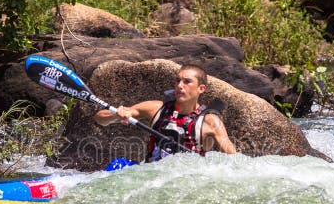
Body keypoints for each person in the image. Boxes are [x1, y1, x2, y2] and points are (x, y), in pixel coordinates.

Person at [94, 64, 237, 161]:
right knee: (117, 165)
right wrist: (116, 115)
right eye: (177, 81)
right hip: (151, 177)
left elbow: (235, 160)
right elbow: (99, 119)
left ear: (201, 88)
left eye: (187, 82)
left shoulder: (210, 121)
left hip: (187, 182)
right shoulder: (156, 108)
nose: (179, 86)